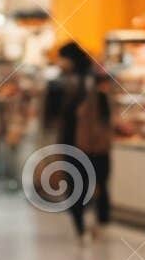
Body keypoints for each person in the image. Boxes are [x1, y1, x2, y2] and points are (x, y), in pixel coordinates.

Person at [42, 41, 113, 239]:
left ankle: (82, 225)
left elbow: (52, 113)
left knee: (76, 182)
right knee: (97, 180)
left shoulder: (63, 82)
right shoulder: (97, 78)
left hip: (75, 140)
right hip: (94, 141)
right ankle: (96, 222)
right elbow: (106, 112)